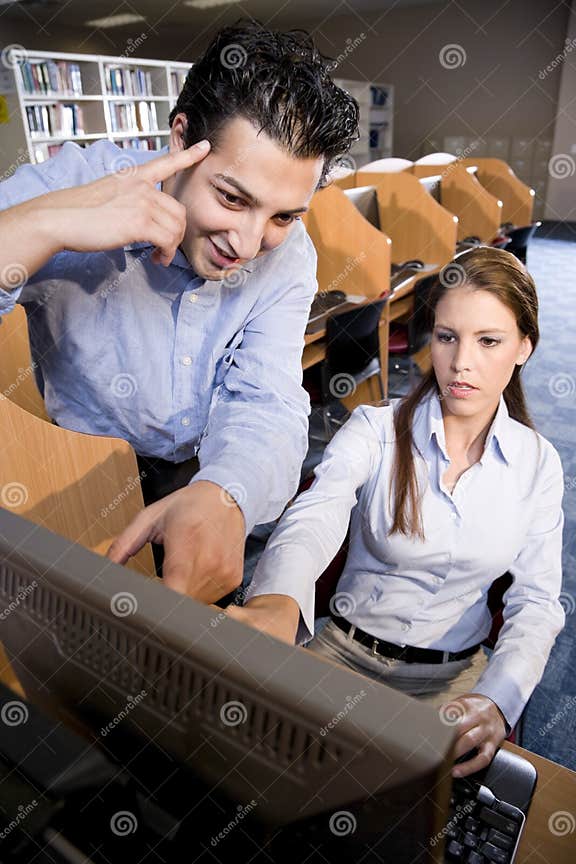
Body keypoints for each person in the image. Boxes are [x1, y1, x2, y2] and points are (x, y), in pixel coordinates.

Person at [0, 21, 358, 600]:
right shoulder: (76, 183)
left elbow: (265, 398)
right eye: (232, 198)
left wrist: (226, 491)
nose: (247, 242)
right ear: (181, 136)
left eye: (283, 215)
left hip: (206, 468)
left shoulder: (290, 254)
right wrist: (43, 225)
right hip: (74, 468)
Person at [227, 247, 565, 778]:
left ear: (524, 347)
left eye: (489, 341)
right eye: (448, 337)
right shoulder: (376, 430)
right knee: (259, 771)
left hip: (452, 681)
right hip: (342, 656)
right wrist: (275, 601)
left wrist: (499, 699)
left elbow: (538, 601)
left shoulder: (538, 464)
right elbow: (315, 514)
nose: (462, 363)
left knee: (425, 827)